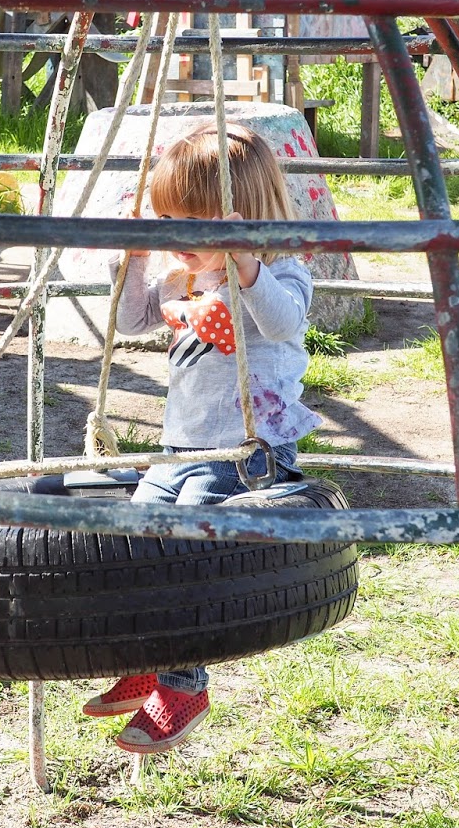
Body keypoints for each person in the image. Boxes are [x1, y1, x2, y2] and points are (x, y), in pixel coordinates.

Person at [89, 124, 321, 754]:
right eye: (164, 220)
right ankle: (146, 662)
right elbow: (129, 321)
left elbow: (283, 323)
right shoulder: (182, 277)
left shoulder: (281, 271)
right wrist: (132, 254)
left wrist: (245, 263)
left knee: (188, 550)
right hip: (180, 446)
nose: (175, 237)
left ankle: (184, 682)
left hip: (250, 452)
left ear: (239, 220)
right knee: (135, 542)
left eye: (187, 223)